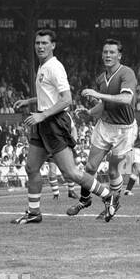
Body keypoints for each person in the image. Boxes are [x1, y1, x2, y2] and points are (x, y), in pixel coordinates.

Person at [10, 29, 111, 225]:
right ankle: (34, 213)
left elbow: (67, 99)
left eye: (44, 43)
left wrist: (42, 115)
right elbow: (49, 96)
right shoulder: (43, 66)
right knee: (31, 167)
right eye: (37, 43)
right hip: (43, 122)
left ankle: (108, 196)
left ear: (53, 45)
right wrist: (29, 101)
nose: (40, 46)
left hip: (54, 122)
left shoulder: (55, 67)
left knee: (70, 173)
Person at [68, 38, 138, 221]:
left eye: (112, 52)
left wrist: (97, 94)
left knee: (114, 172)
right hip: (105, 126)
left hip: (124, 130)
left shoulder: (127, 73)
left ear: (119, 55)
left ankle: (114, 203)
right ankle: (85, 200)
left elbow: (125, 99)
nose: (108, 55)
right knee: (90, 166)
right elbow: (104, 105)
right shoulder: (101, 78)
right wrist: (89, 112)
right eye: (105, 52)